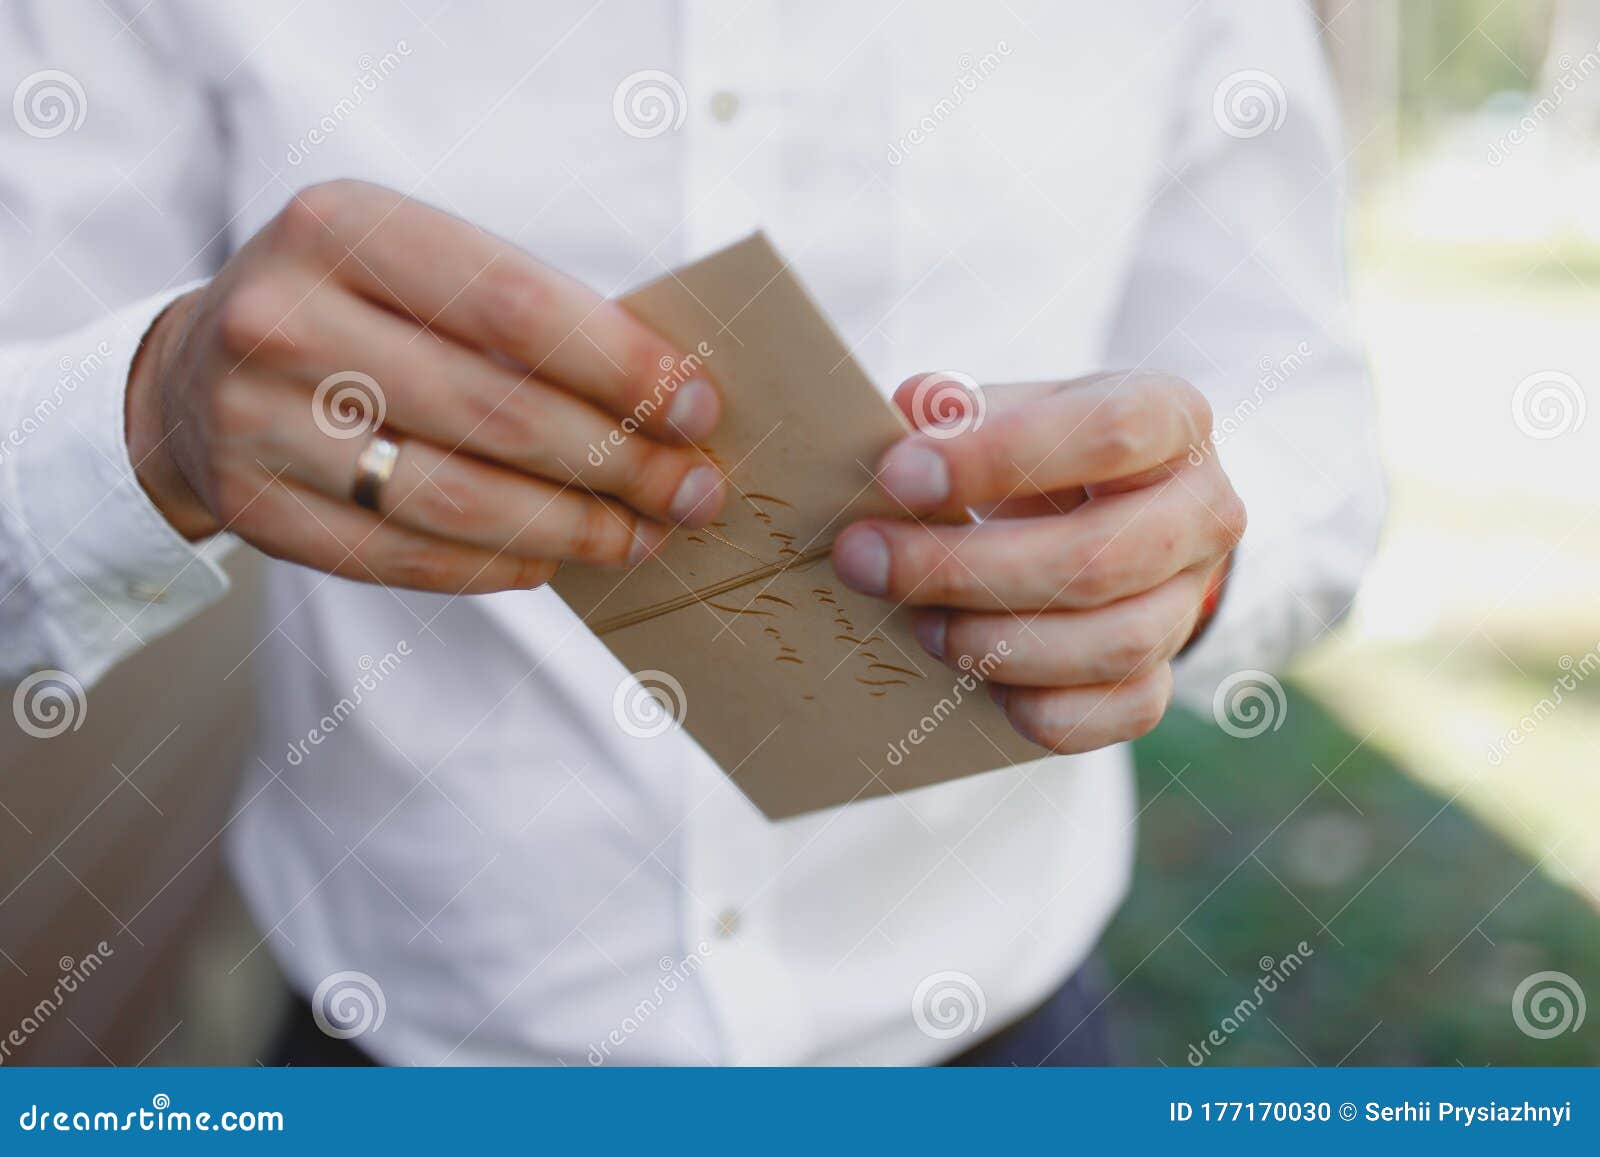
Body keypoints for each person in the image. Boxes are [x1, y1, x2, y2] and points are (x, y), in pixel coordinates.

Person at [0, 0, 1383, 1065]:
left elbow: (1298, 423)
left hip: (1002, 1034)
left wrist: (1183, 557)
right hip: (405, 1044)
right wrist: (144, 416)